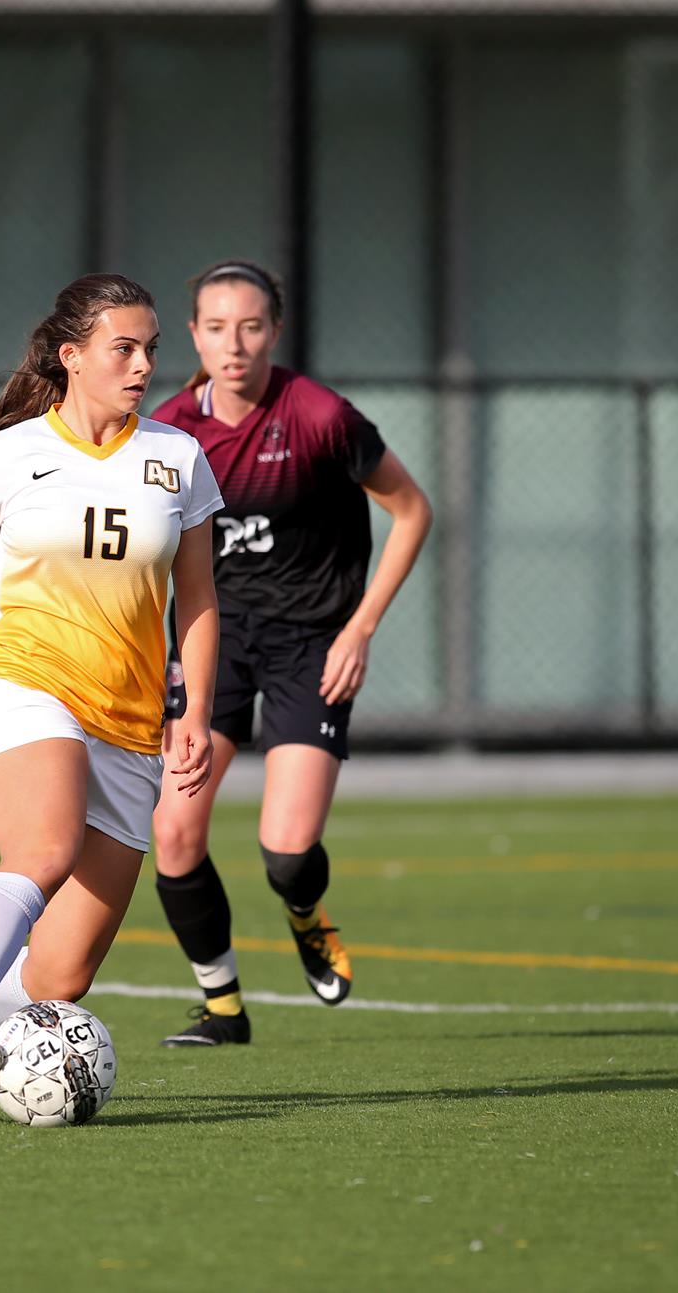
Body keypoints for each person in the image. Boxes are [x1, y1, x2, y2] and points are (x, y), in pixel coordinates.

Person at [0, 273, 224, 1109]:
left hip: (133, 724)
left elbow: (201, 597)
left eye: (151, 350)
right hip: (29, 688)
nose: (143, 363)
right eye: (124, 348)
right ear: (71, 357)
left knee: (64, 971)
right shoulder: (12, 457)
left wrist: (196, 713)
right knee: (42, 850)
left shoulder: (176, 458)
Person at [149, 259, 433, 1047]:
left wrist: (361, 627)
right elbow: (155, 552)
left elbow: (412, 511)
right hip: (217, 640)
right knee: (173, 833)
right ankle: (223, 1008)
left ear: (275, 329)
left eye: (250, 325)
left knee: (286, 850)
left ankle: (306, 915)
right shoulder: (171, 432)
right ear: (195, 335)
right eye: (215, 327)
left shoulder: (318, 415)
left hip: (315, 642)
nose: (233, 343)